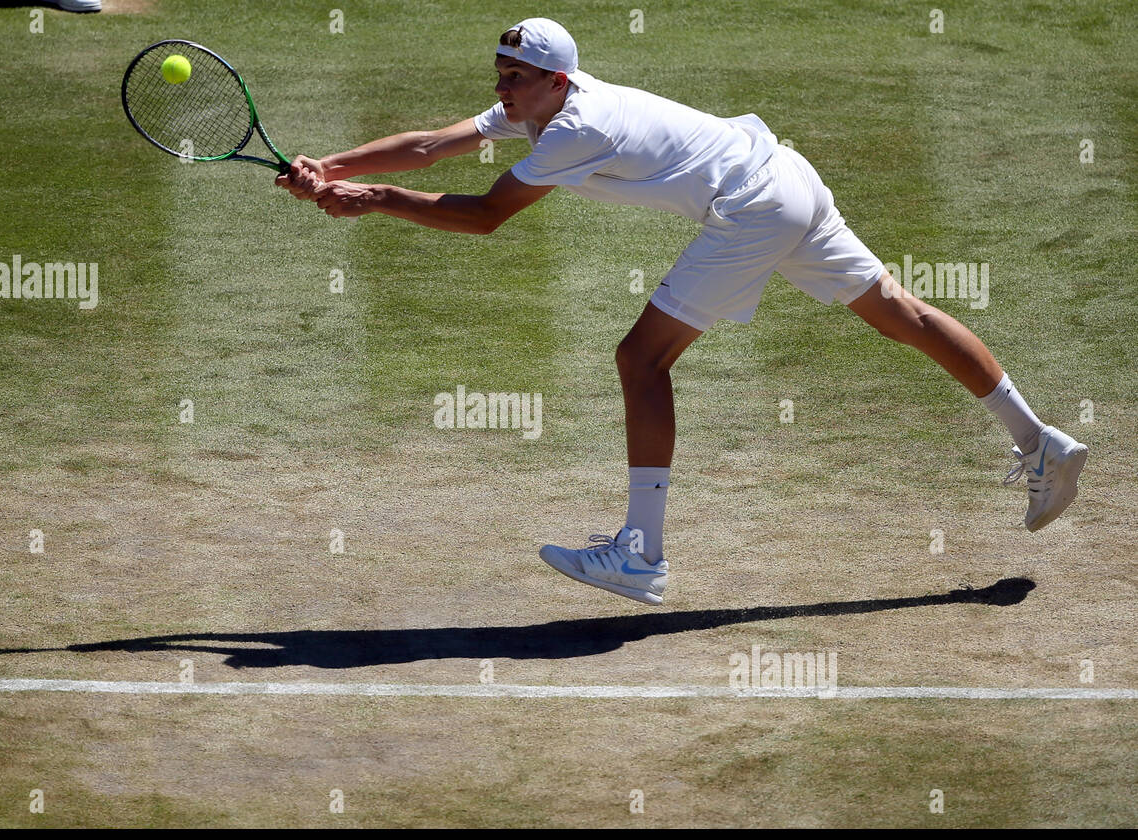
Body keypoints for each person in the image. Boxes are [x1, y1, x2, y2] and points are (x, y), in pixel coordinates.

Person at [276, 17, 1088, 606]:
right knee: (901, 313)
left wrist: (373, 201)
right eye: (500, 74)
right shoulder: (548, 103)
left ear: (556, 81)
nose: (501, 89)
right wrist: (330, 167)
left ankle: (640, 555)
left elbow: (487, 214)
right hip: (786, 178)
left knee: (642, 359)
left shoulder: (571, 130)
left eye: (515, 78)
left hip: (754, 203)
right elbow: (429, 145)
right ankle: (1039, 440)